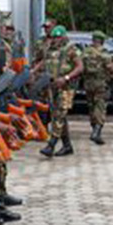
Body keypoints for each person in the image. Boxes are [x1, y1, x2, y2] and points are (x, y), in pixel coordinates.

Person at [36, 25, 83, 157]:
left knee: (59, 114)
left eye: (58, 37)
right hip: (53, 86)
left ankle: (51, 144)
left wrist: (66, 77)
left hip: (67, 87)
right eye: (53, 37)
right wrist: (33, 72)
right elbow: (43, 63)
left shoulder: (71, 49)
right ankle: (67, 145)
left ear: (63, 37)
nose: (55, 40)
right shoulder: (50, 50)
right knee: (58, 116)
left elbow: (80, 67)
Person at [83, 30, 113, 144]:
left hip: (88, 84)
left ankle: (94, 129)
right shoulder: (104, 53)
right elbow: (110, 68)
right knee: (100, 106)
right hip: (101, 83)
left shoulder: (85, 52)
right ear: (102, 41)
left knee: (91, 106)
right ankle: (96, 131)